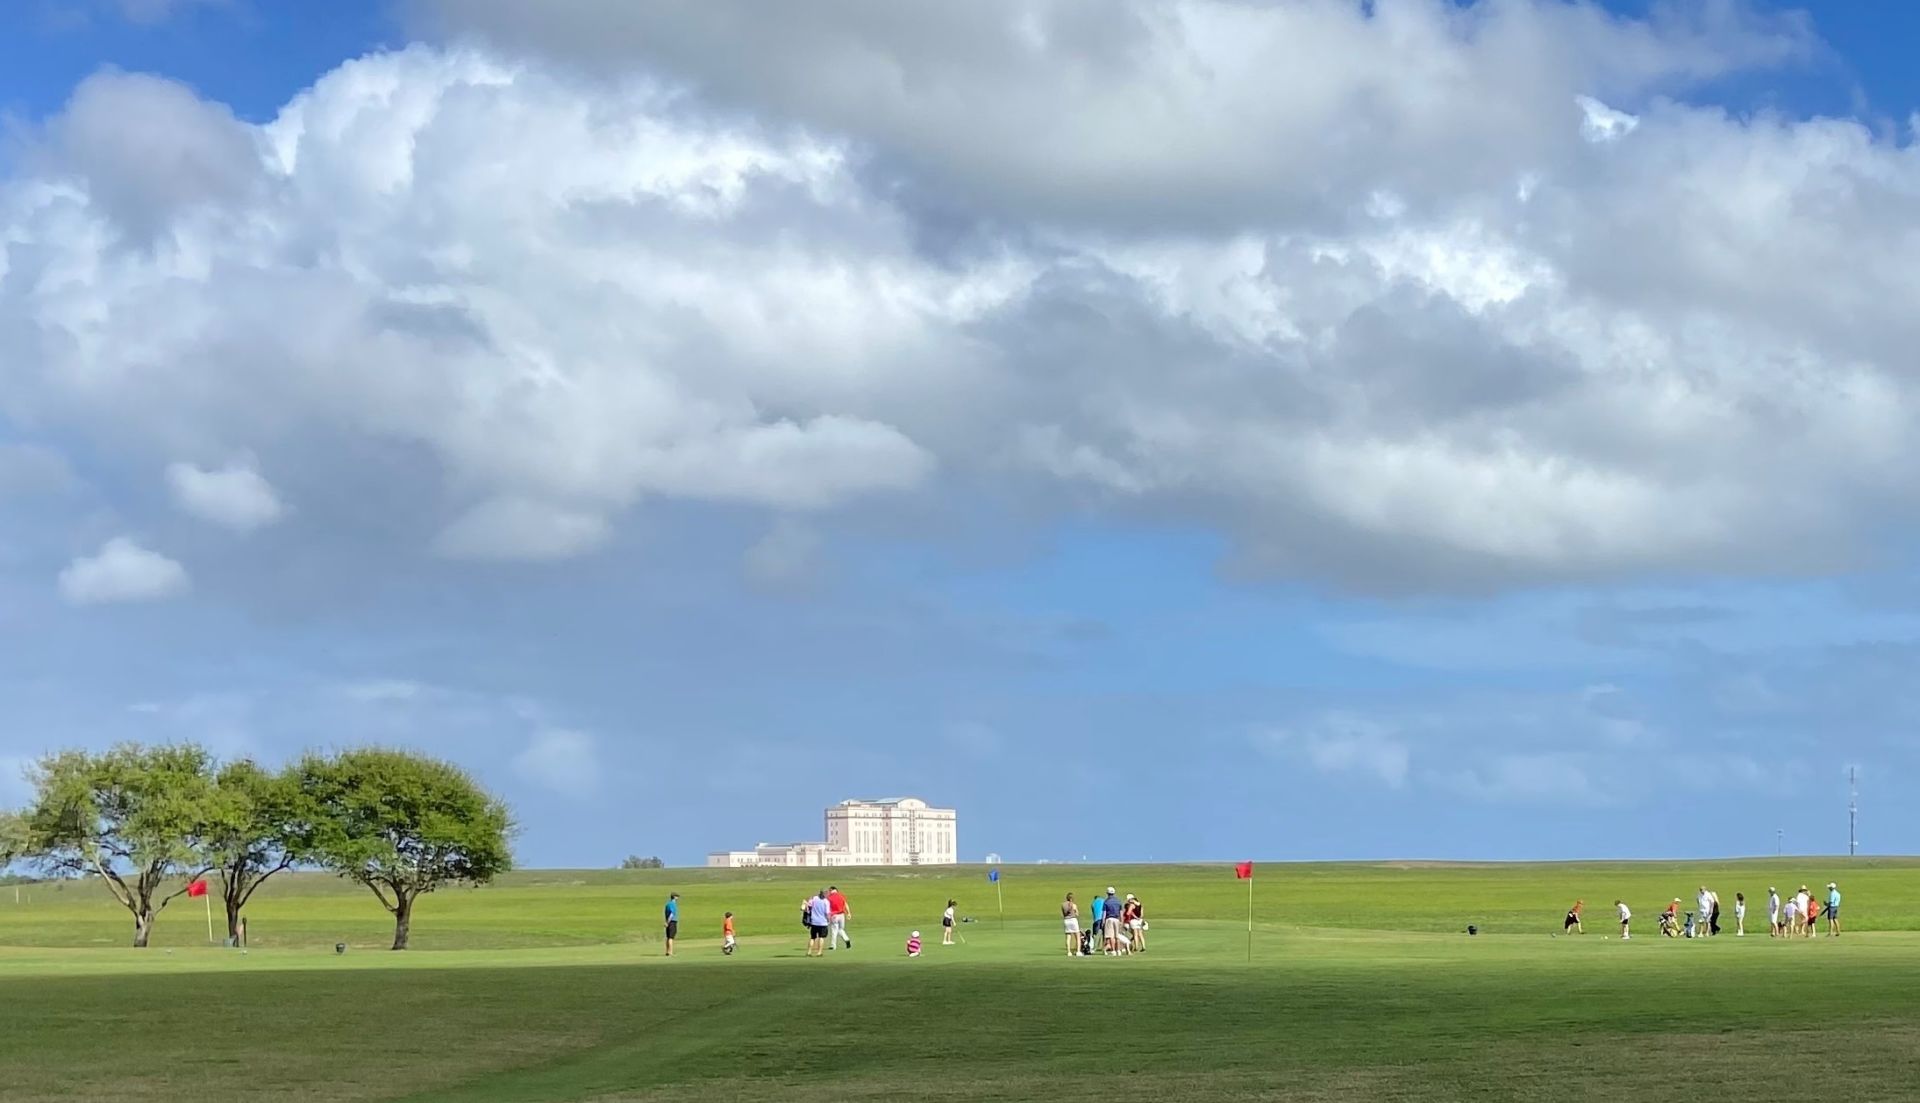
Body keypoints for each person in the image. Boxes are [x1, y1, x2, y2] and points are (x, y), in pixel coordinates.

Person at [827, 885, 852, 951]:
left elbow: (827, 907)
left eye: (829, 890)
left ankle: (833, 946)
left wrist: (827, 916)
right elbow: (846, 904)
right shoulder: (841, 895)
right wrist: (849, 913)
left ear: (831, 890)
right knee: (841, 929)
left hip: (834, 915)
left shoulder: (829, 897)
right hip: (842, 915)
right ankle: (846, 939)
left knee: (834, 931)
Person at [1103, 887, 1123, 955]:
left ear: (1108, 893)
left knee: (1111, 936)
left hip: (1109, 919)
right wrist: (1121, 920)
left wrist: (1103, 921)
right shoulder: (1118, 901)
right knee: (1117, 936)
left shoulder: (1106, 901)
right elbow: (1121, 912)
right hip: (1117, 919)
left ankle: (1113, 950)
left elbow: (1104, 913)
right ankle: (1118, 950)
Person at [1062, 892, 1080, 957]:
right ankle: (1078, 951)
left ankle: (1069, 952)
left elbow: (1064, 913)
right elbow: (1077, 914)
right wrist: (1076, 910)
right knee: (1077, 937)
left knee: (1068, 937)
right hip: (1073, 920)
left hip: (1066, 920)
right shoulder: (1074, 905)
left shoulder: (1063, 905)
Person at [663, 893, 680, 957]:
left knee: (668, 937)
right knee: (671, 938)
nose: (678, 898)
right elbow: (672, 914)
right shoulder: (672, 904)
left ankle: (667, 951)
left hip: (669, 922)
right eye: (677, 896)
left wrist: (666, 922)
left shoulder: (668, 904)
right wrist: (667, 922)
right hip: (672, 922)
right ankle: (670, 952)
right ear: (674, 897)